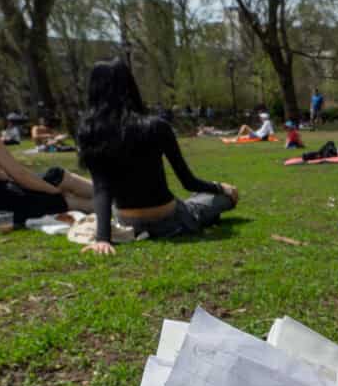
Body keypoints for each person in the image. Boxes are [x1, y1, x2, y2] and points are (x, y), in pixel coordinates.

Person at [76, 58, 238, 257]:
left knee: (195, 200)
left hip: (127, 223)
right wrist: (220, 187)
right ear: (130, 86)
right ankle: (211, 202)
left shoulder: (90, 133)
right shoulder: (156, 126)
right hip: (170, 220)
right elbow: (188, 181)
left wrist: (103, 238)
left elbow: (102, 189)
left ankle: (197, 205)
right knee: (222, 197)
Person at [0, 57, 94, 227]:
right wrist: (54, 192)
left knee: (57, 175)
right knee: (67, 198)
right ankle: (117, 204)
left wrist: (43, 185)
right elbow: (17, 173)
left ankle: (114, 196)